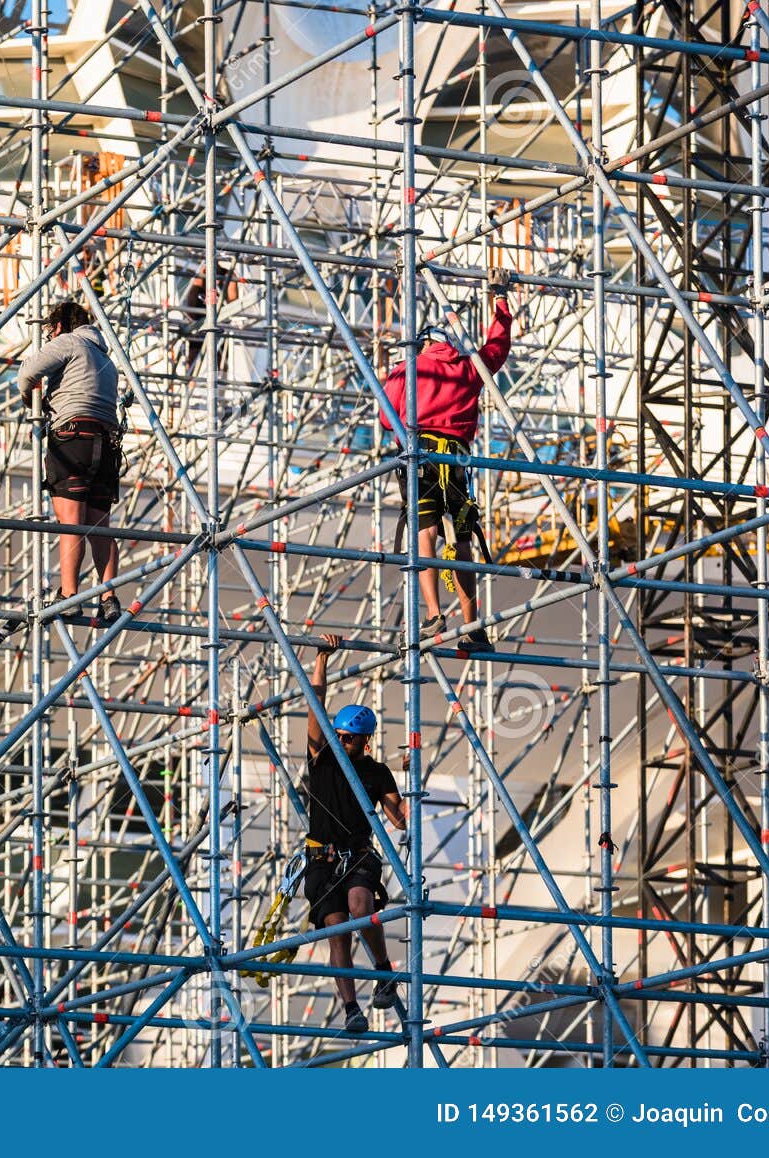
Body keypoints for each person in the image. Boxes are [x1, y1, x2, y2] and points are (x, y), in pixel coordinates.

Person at [380, 268, 515, 649]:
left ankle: (433, 616)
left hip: (418, 454)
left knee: (423, 537)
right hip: (455, 458)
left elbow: (386, 416)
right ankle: (472, 626)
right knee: (461, 537)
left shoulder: (406, 369)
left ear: (421, 345)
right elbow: (497, 346)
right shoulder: (468, 366)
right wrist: (500, 301)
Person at [303, 635, 407, 1034]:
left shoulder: (377, 771)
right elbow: (314, 707)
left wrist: (409, 783)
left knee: (362, 905)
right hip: (322, 858)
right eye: (339, 735)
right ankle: (351, 1009)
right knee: (337, 932)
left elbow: (398, 819)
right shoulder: (323, 759)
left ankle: (383, 971)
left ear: (365, 740)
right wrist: (321, 660)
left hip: (358, 854)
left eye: (349, 737)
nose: (342, 741)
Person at [18, 299, 122, 623]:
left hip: (72, 438)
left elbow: (27, 373)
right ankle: (108, 598)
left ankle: (69, 595)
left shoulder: (69, 342)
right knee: (99, 527)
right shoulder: (105, 358)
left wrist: (30, 396)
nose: (50, 336)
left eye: (51, 330)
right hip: (106, 444)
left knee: (71, 521)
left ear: (61, 325)